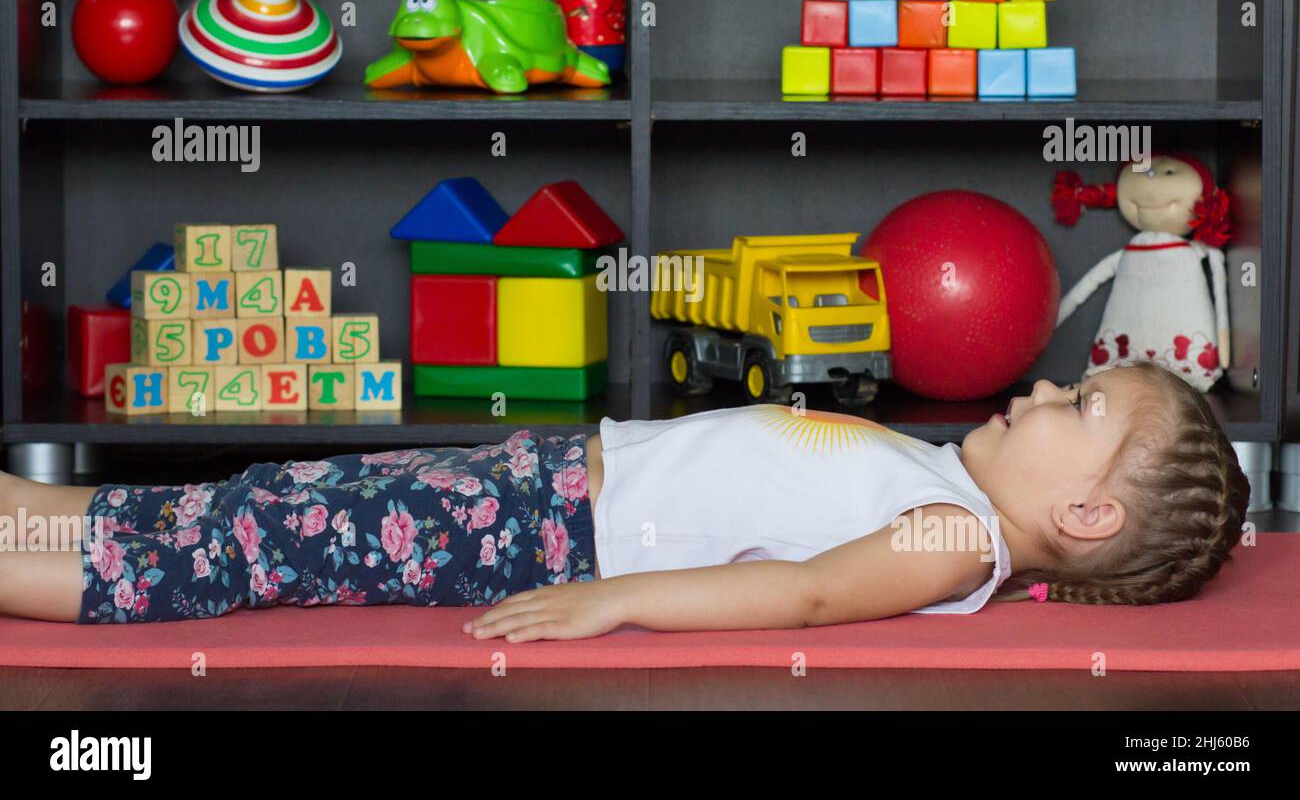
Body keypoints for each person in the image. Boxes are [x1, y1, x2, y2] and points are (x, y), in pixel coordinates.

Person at [0, 360, 1248, 642]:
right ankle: (24, 509)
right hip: (543, 478)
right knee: (272, 492)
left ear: (1084, 514)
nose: (1040, 386)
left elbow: (804, 590)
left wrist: (613, 600)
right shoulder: (941, 479)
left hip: (545, 528)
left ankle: (39, 559)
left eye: (1077, 406)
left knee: (259, 545)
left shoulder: (950, 536)